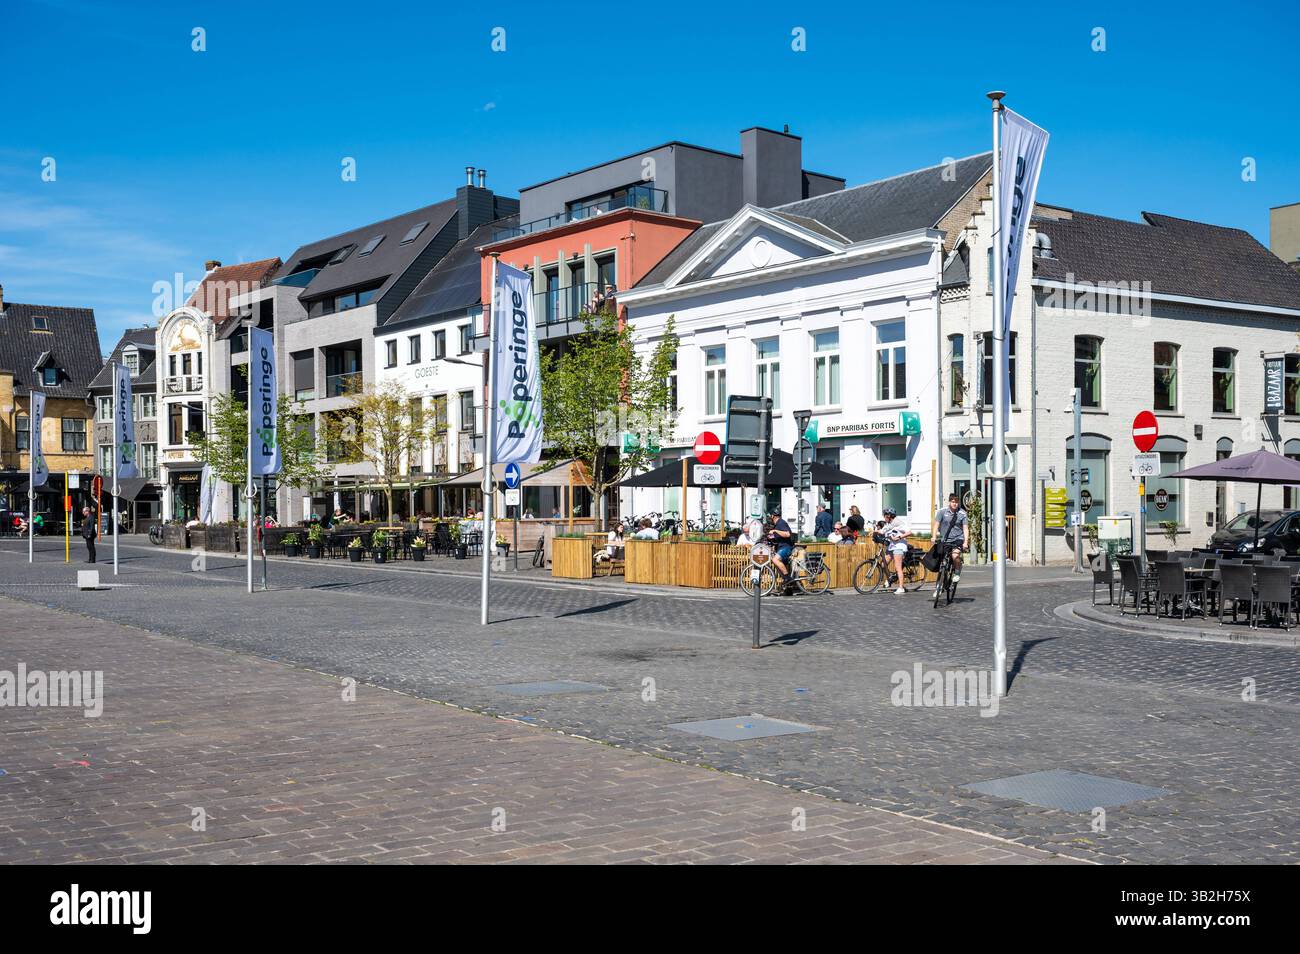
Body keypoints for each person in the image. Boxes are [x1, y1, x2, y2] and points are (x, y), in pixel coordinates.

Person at [931, 493, 970, 585]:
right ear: (949, 502)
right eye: (953, 502)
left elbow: (965, 528)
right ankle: (940, 582)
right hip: (945, 539)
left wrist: (965, 542)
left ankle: (957, 571)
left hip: (958, 538)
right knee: (941, 560)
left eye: (956, 502)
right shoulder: (942, 512)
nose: (955, 504)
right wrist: (934, 536)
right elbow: (936, 524)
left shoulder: (962, 513)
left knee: (955, 556)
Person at [880, 506, 910, 595]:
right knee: (883, 564)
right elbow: (885, 532)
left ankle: (901, 588)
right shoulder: (889, 524)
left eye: (884, 516)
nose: (884, 517)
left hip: (899, 546)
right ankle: (890, 580)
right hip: (892, 546)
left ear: (888, 515)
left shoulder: (898, 522)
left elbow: (909, 532)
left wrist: (899, 537)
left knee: (898, 568)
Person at [766, 507, 794, 590]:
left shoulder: (781, 523)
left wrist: (775, 531)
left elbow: (787, 534)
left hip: (786, 547)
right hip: (781, 547)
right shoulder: (777, 524)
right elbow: (778, 536)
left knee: (775, 560)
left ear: (773, 516)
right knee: (776, 564)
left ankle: (787, 578)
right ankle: (787, 584)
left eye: (770, 516)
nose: (769, 518)